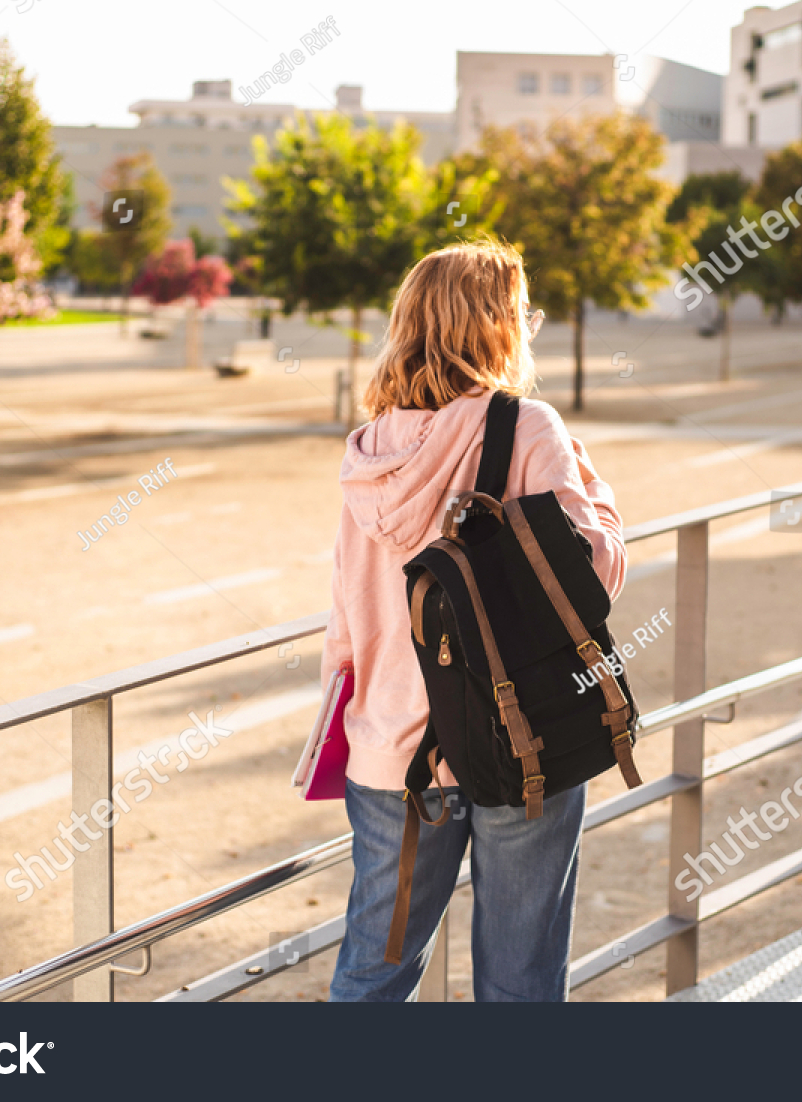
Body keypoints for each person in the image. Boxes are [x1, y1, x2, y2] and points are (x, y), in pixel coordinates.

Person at [321, 239, 627, 1002]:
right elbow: (591, 581)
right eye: (524, 314)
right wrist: (592, 487)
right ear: (497, 327)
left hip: (393, 755)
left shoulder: (370, 450)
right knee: (520, 982)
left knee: (372, 975)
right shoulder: (528, 428)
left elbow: (347, 619)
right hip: (521, 743)